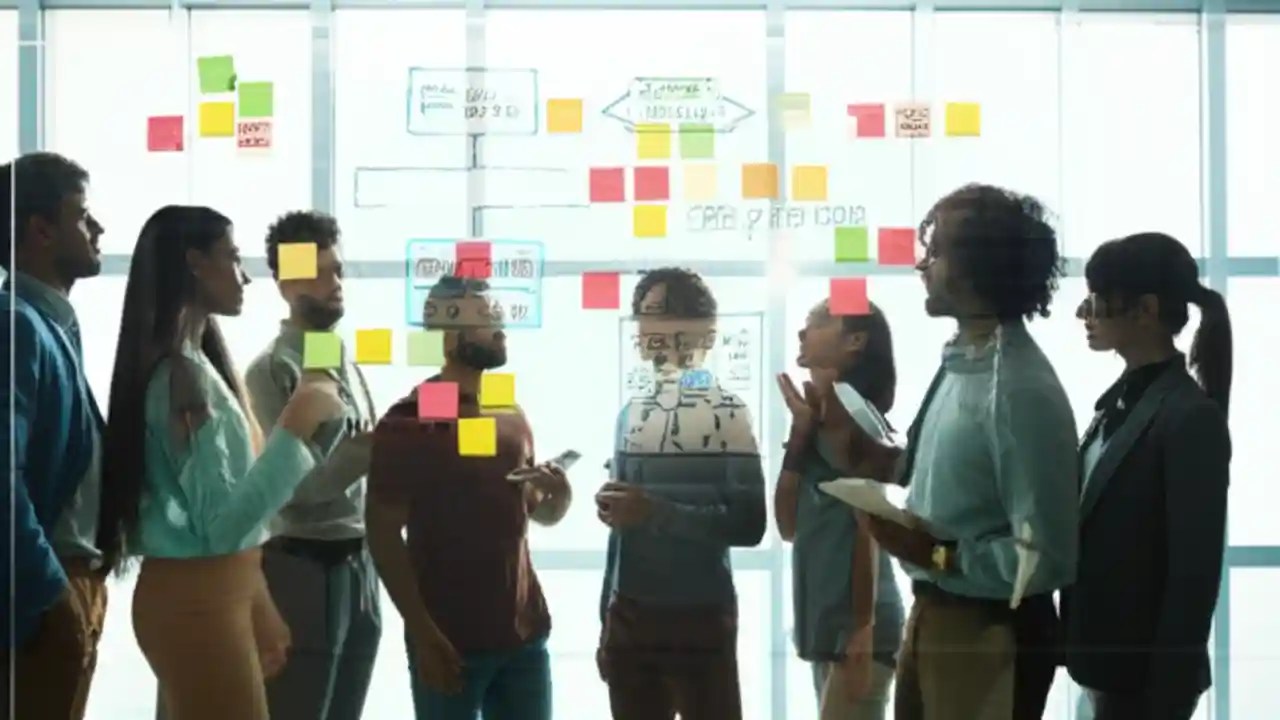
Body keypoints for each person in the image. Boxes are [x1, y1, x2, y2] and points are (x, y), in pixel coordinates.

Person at [839, 184, 1079, 720]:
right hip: (938, 616)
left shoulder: (1018, 389)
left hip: (990, 635)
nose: (922, 264)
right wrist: (884, 464)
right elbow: (947, 478)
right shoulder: (964, 361)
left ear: (977, 264)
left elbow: (1044, 557)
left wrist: (934, 555)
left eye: (937, 250)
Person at [100, 205, 344, 720]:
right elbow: (221, 525)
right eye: (233, 258)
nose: (245, 275)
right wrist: (295, 429)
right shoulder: (181, 376)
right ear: (194, 263)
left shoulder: (199, 366)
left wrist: (256, 602)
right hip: (196, 605)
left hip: (218, 597)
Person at [366, 275, 571, 720]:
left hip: (524, 637)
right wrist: (422, 633)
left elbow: (534, 509)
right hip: (449, 641)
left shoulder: (509, 411)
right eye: (486, 318)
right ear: (447, 333)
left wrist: (561, 496)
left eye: (499, 317)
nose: (501, 329)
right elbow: (381, 534)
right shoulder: (409, 421)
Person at [1063, 232, 1232, 720]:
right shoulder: (1117, 402)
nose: (1083, 313)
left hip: (1147, 679)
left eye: (1096, 300)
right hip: (1105, 664)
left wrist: (1165, 694)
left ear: (1146, 310)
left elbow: (1193, 574)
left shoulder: (1187, 415)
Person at [595, 267, 767, 720]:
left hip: (700, 620)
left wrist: (653, 510)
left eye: (664, 314)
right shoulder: (630, 414)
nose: (650, 327)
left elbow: (750, 525)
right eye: (645, 316)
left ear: (703, 332)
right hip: (630, 621)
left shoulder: (729, 415)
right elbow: (619, 534)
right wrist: (605, 620)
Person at [244, 211, 381, 720]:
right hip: (300, 565)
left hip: (358, 566)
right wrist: (368, 451)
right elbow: (289, 490)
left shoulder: (342, 359)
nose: (335, 284)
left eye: (338, 270)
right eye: (319, 273)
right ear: (285, 285)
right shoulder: (269, 372)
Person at [0, 152, 108, 720]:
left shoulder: (50, 324)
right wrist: (50, 593)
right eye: (83, 217)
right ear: (40, 229)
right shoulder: (15, 322)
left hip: (74, 585)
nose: (98, 230)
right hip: (43, 593)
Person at [774, 299, 905, 720]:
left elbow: (869, 523)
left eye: (819, 321)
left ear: (855, 341)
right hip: (829, 624)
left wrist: (862, 626)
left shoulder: (852, 411)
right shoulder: (822, 416)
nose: (803, 331)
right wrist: (799, 435)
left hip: (857, 626)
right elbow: (789, 525)